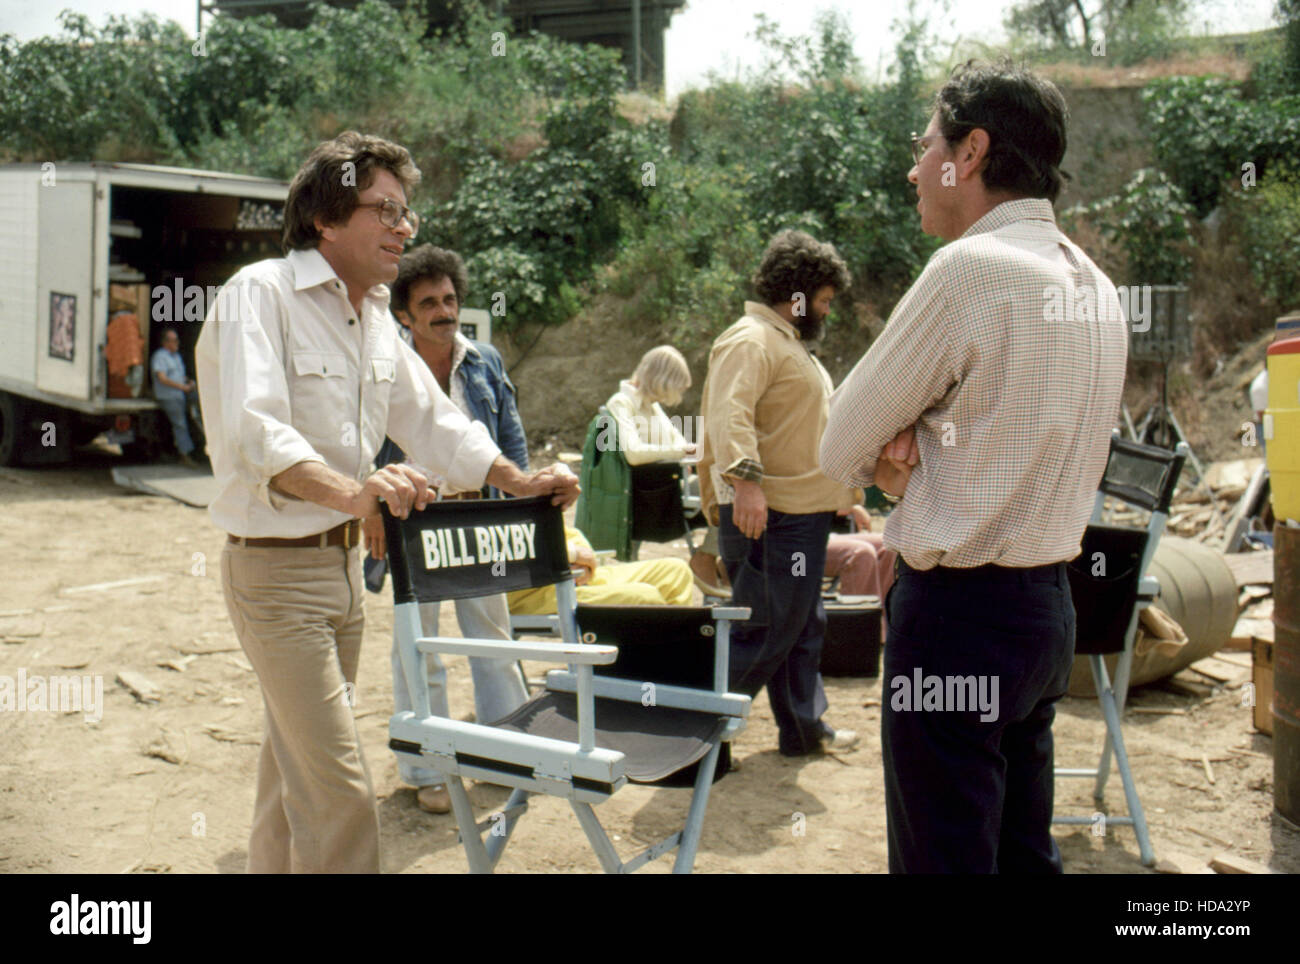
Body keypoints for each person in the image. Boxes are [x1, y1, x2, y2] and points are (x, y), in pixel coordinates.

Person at [194, 131, 578, 874]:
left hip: (344, 578)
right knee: (339, 789)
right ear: (327, 220)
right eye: (388, 210)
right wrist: (352, 492)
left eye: (409, 213)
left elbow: (433, 421)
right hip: (275, 578)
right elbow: (253, 430)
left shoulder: (374, 319)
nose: (406, 228)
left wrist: (516, 478)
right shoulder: (261, 295)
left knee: (291, 771)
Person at [820, 61, 1127, 874]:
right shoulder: (1096, 289)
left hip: (957, 621)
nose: (916, 167)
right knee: (1024, 853)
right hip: (1045, 614)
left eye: (927, 146)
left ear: (973, 150)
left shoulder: (968, 273)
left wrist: (901, 455)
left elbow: (837, 446)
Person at [360, 244, 532, 815]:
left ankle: (505, 750)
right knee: (418, 645)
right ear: (404, 314)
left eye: (451, 299)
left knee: (493, 636)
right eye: (428, 302)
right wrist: (372, 511)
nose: (444, 311)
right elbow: (364, 445)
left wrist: (523, 496)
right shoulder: (384, 367)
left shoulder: (483, 360)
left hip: (477, 513)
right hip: (413, 518)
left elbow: (509, 437)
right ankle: (426, 767)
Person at [696, 229, 860, 757]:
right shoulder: (751, 339)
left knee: (802, 624)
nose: (827, 312)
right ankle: (698, 736)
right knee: (764, 629)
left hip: (797, 513)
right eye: (824, 300)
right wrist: (745, 485)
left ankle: (804, 729)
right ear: (798, 292)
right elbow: (729, 416)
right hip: (769, 516)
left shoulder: (784, 342)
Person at [507, 525, 693, 614]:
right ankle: (644, 666)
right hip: (530, 591)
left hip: (573, 575)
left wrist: (585, 563)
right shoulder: (481, 496)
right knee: (644, 596)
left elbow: (564, 529)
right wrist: (569, 554)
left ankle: (675, 654)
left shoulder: (515, 482)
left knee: (675, 571)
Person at [824, 504, 896, 639]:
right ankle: (859, 635)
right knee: (860, 553)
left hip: (821, 534)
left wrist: (849, 506)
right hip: (794, 549)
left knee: (889, 544)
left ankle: (883, 629)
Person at [151, 328, 198, 467]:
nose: (177, 342)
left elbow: (178, 375)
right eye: (174, 340)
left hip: (179, 394)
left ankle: (191, 449)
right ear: (166, 342)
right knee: (180, 424)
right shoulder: (160, 356)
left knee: (190, 417)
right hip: (168, 396)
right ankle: (185, 455)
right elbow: (162, 378)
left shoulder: (176, 356)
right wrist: (182, 387)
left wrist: (188, 382)